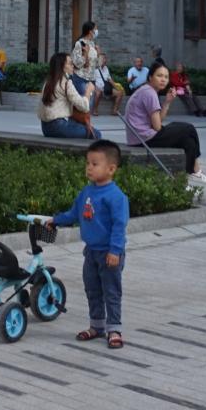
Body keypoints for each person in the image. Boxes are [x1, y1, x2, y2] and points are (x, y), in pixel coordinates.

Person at [52, 139, 129, 350]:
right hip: (91, 253)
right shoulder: (86, 192)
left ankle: (114, 328)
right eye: (88, 163)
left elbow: (119, 226)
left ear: (111, 169)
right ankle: (97, 326)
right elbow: (73, 214)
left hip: (109, 254)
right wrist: (55, 220)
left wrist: (115, 251)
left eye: (95, 164)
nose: (89, 168)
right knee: (92, 289)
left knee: (111, 291)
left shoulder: (116, 197)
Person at [125, 62, 206, 186]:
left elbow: (157, 123)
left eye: (166, 77)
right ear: (150, 77)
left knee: (187, 140)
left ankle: (185, 179)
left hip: (140, 137)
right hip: (143, 138)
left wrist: (167, 102)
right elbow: (157, 126)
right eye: (159, 76)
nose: (163, 79)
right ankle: (194, 170)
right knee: (188, 128)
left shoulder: (146, 90)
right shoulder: (149, 93)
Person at [37, 52, 99, 140]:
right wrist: (88, 91)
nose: (73, 66)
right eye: (70, 63)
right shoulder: (66, 83)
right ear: (62, 66)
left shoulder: (47, 82)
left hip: (45, 128)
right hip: (59, 127)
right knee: (96, 134)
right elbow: (84, 107)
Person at [71, 21, 112, 114]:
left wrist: (99, 53)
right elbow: (77, 63)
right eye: (95, 29)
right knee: (83, 105)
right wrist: (85, 54)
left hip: (91, 78)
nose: (97, 31)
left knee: (89, 105)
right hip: (81, 78)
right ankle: (80, 125)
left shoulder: (93, 44)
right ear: (90, 31)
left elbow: (98, 65)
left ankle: (86, 125)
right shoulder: (80, 43)